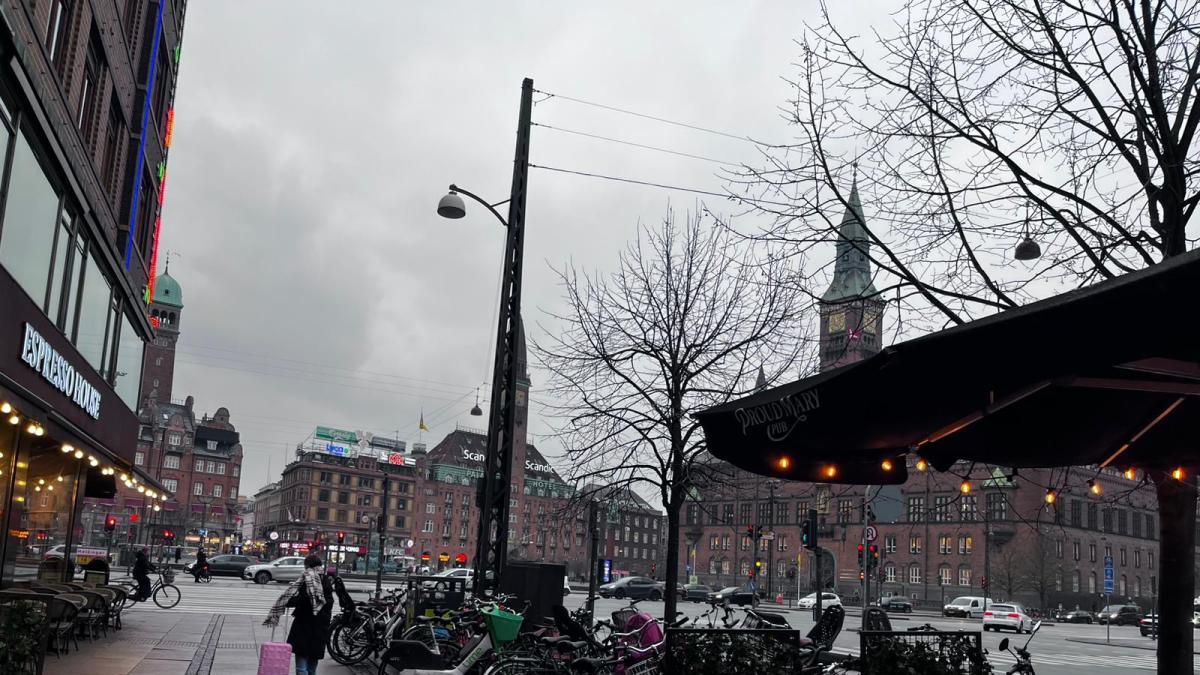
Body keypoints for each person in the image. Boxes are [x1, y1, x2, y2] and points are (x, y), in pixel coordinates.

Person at [264, 554, 333, 675]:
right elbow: (328, 603)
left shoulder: (308, 579)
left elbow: (304, 599)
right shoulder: (326, 580)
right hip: (320, 626)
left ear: (308, 566)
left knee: (301, 666)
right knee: (312, 666)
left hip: (305, 626)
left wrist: (287, 601)